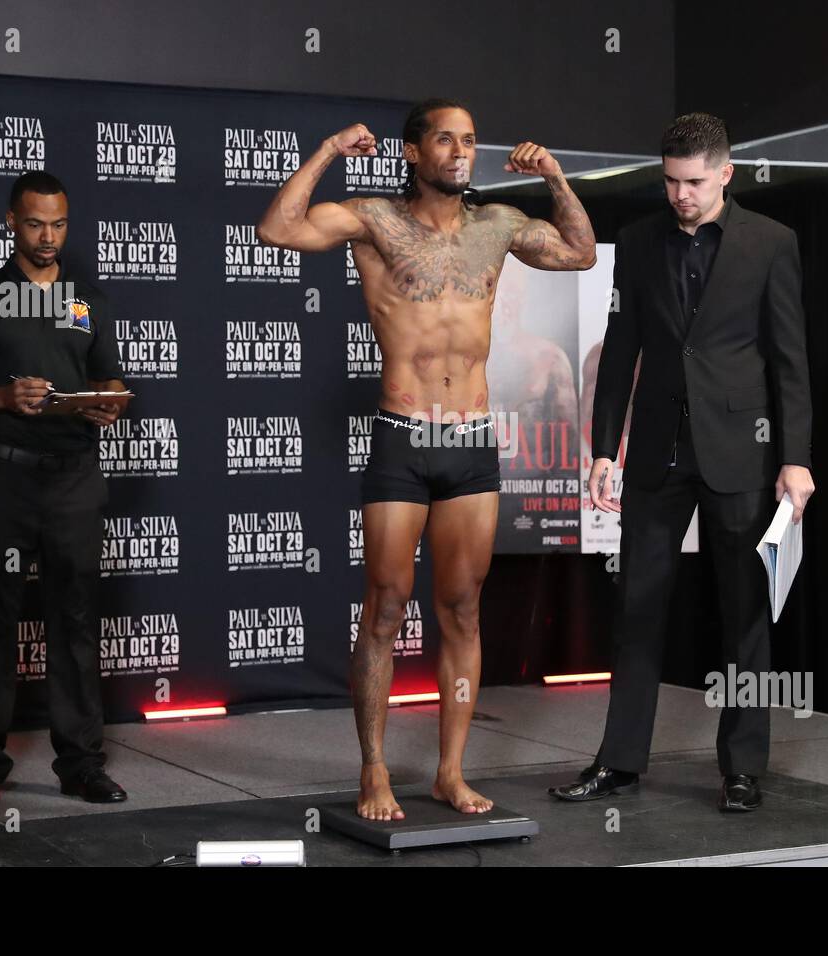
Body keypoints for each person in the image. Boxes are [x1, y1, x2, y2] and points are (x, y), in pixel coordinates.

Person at [259, 98, 596, 820]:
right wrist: (326, 149)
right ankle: (374, 771)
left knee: (464, 609)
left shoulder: (498, 225)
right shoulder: (374, 220)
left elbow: (580, 253)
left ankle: (450, 771)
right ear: (412, 152)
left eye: (469, 141)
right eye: (444, 140)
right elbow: (278, 227)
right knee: (384, 609)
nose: (460, 152)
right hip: (405, 433)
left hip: (470, 437)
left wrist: (557, 179)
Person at [550, 112, 815, 812]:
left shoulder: (771, 243)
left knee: (745, 613)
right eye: (670, 181)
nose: (680, 195)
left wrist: (796, 461)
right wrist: (605, 448)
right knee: (638, 606)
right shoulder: (637, 242)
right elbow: (620, 350)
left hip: (743, 453)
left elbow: (790, 362)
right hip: (657, 457)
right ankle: (620, 762)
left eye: (694, 181)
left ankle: (743, 768)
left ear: (726, 173)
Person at [0, 171, 129, 816]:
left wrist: (109, 405)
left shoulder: (85, 300)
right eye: (36, 223)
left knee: (74, 619)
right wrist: (1, 396)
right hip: (3, 476)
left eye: (60, 224)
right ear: (10, 222)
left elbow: (108, 377)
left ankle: (81, 765)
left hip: (74, 475)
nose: (49, 237)